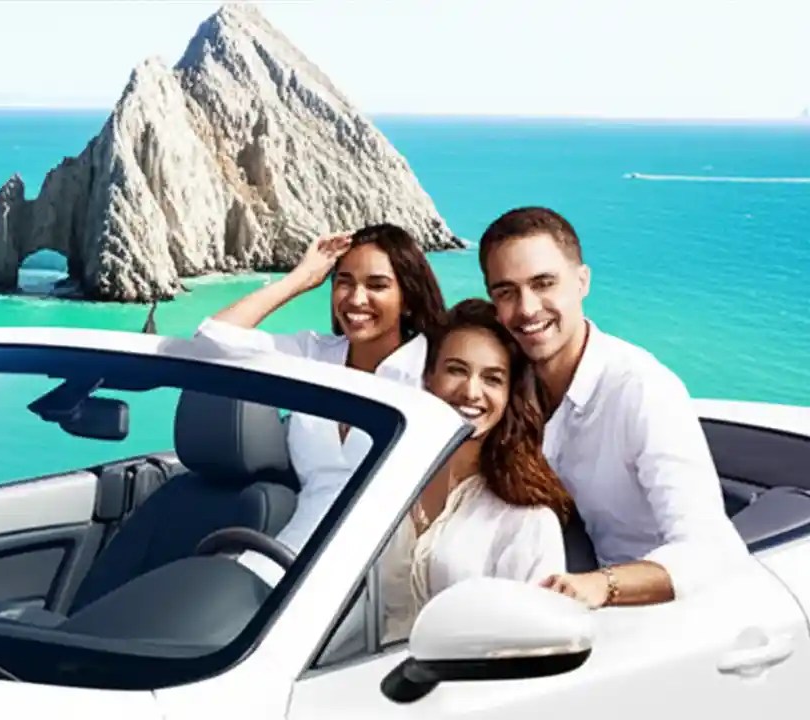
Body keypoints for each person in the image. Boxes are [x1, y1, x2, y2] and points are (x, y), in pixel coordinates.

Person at [477, 206, 748, 608]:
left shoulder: (643, 391)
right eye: (506, 292)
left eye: (544, 283)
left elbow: (712, 550)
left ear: (582, 281)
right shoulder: (507, 385)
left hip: (658, 614)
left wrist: (601, 585)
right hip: (551, 601)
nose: (527, 308)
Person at [195, 222, 447, 557]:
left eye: (377, 285)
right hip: (289, 559)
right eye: (344, 282)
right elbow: (209, 341)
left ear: (408, 300)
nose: (356, 299)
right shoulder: (313, 355)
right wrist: (300, 279)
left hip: (386, 568)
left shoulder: (434, 369)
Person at [376, 298, 571, 642]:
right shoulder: (386, 483)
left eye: (492, 379)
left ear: (509, 395)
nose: (471, 392)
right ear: (428, 378)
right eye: (456, 370)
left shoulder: (527, 520)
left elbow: (533, 645)